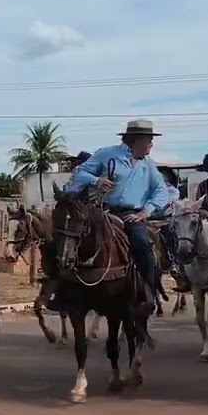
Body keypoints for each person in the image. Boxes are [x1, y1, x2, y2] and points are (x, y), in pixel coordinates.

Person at [67, 119, 173, 304]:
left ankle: (148, 290)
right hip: (103, 211)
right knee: (72, 236)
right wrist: (96, 181)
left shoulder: (149, 165)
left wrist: (146, 211)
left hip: (132, 214)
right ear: (135, 140)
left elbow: (161, 192)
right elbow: (79, 173)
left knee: (143, 244)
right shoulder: (107, 154)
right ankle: (65, 290)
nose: (151, 144)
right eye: (148, 139)